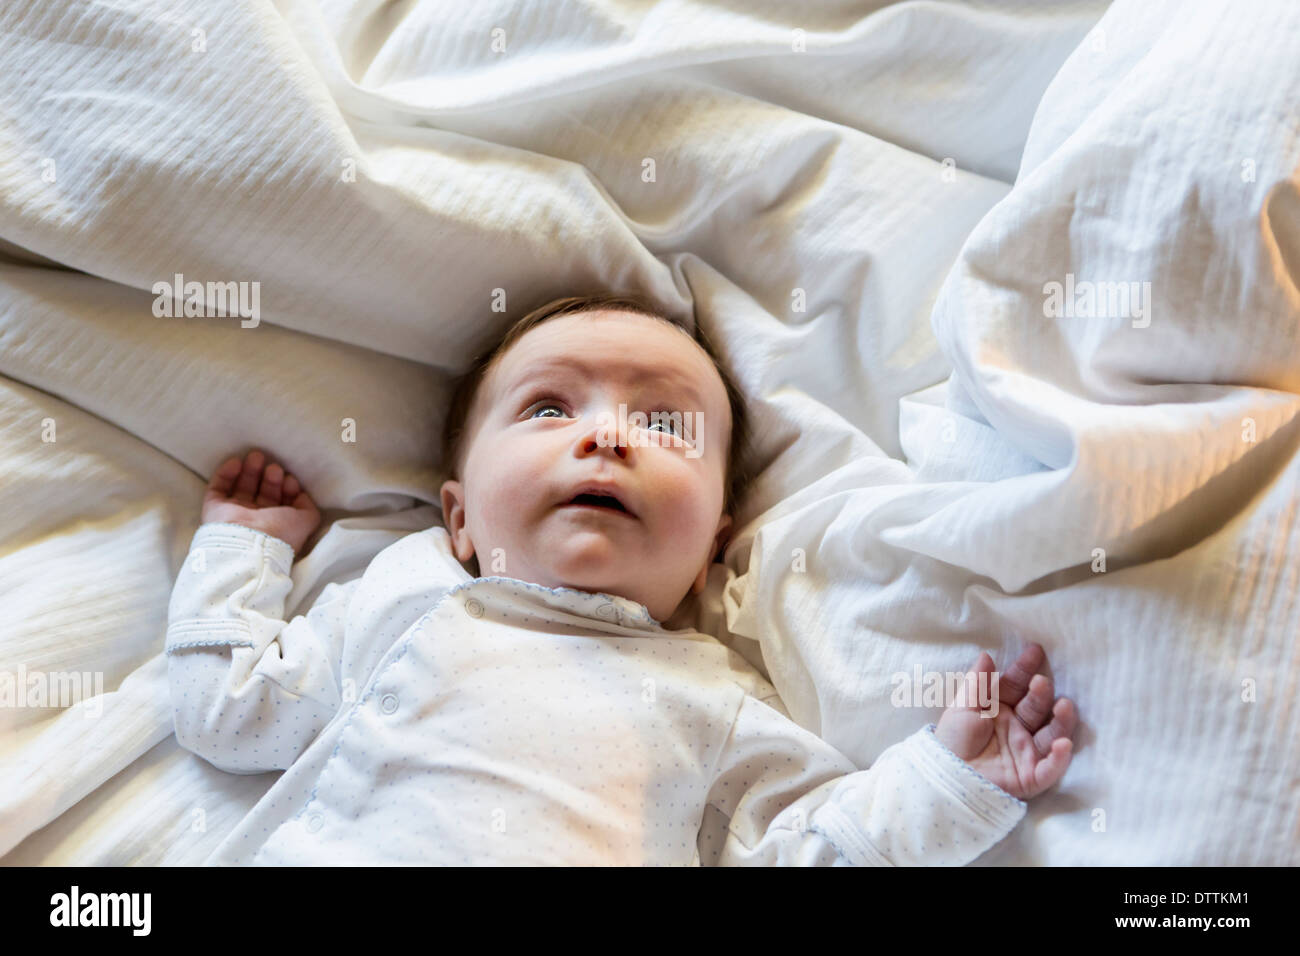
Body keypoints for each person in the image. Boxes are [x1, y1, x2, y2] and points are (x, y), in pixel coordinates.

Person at [165, 293, 1076, 865]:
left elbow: (813, 850)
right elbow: (231, 711)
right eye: (549, 407)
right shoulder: (405, 597)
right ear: (460, 520)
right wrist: (244, 550)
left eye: (667, 426)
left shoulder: (715, 701)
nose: (606, 435)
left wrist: (948, 780)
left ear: (712, 547)